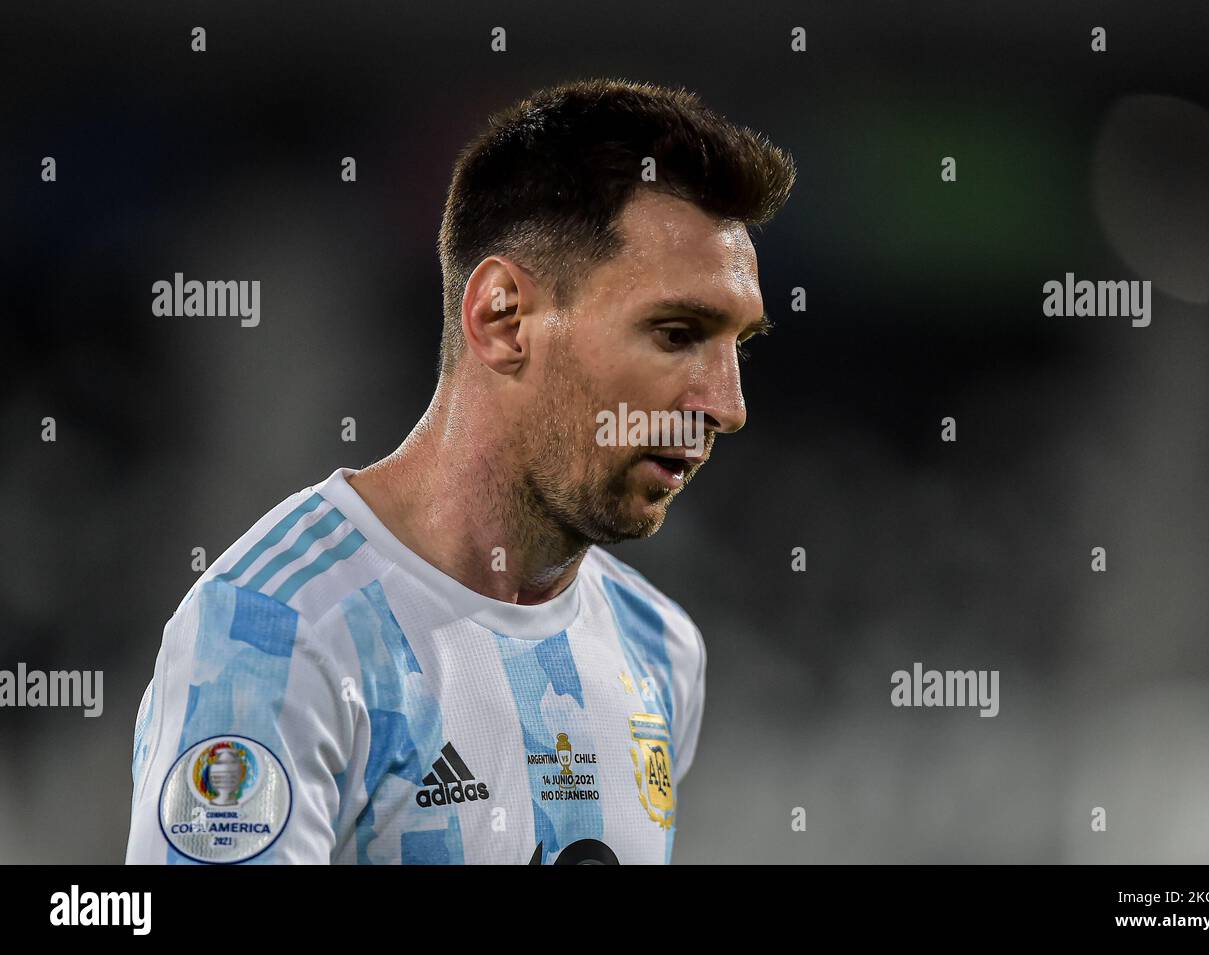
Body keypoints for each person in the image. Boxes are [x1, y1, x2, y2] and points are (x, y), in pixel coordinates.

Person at [125, 77, 795, 864]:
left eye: (738, 347)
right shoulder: (277, 635)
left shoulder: (659, 650)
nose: (727, 403)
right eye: (678, 333)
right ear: (502, 318)